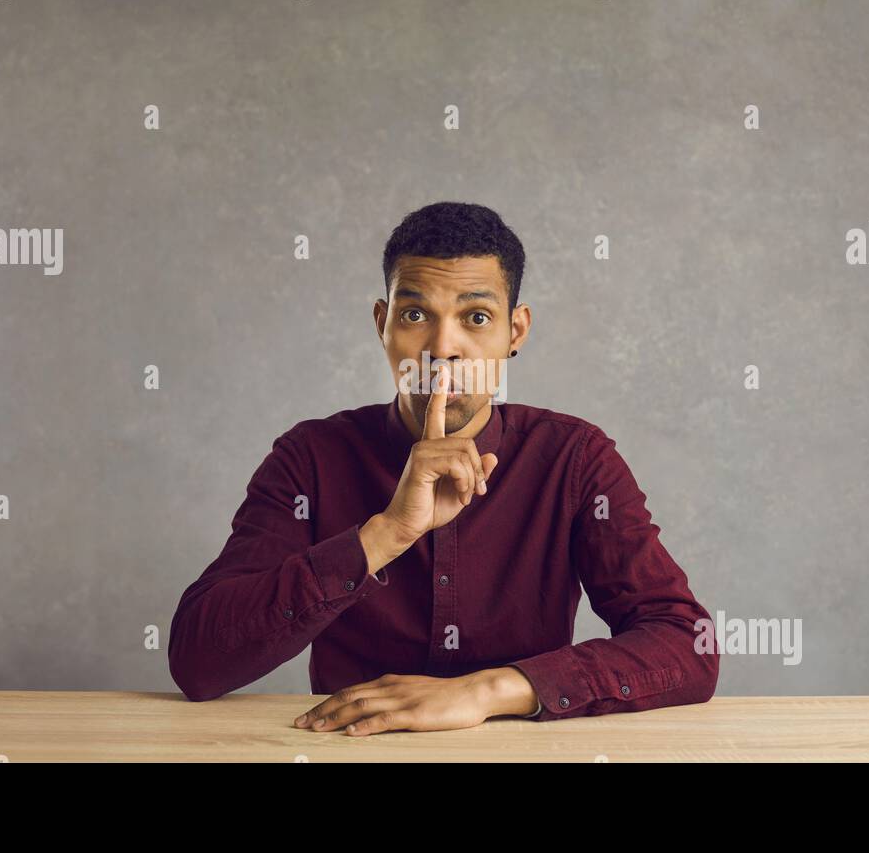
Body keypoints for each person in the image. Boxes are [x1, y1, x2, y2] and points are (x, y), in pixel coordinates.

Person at [168, 201, 718, 735]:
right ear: (382, 324)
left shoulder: (574, 458)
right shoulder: (310, 457)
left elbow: (685, 642)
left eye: (476, 317)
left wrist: (485, 692)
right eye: (414, 315)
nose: (442, 348)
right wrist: (387, 533)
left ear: (515, 332)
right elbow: (198, 661)